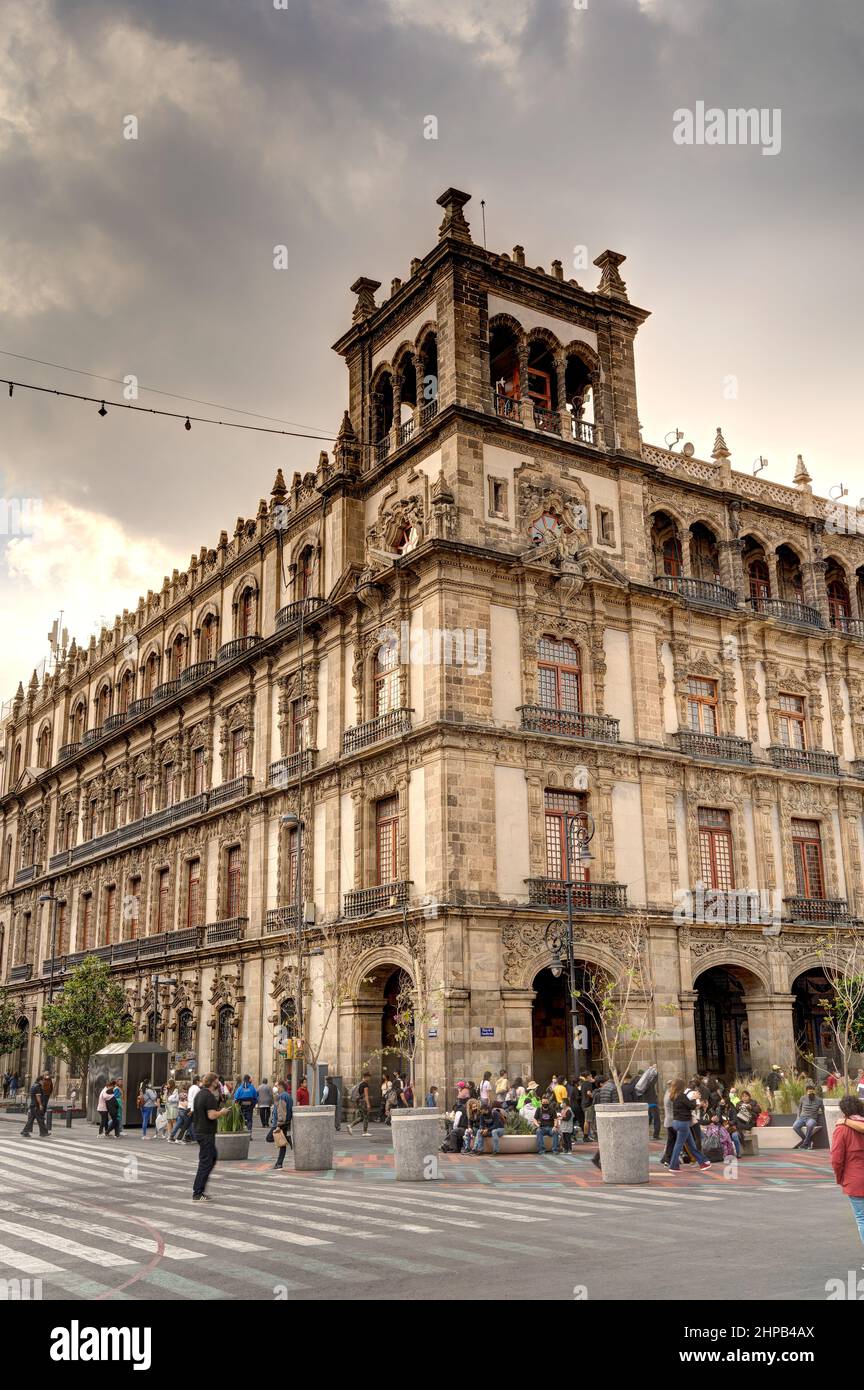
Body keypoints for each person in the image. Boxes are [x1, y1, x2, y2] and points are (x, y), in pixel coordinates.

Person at [830, 1095, 864, 1245]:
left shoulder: (842, 1129)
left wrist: (840, 1178)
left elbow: (837, 1159)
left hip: (855, 1180)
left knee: (862, 1218)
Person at [191, 1074, 229, 1202]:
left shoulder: (199, 1095)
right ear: (213, 1082)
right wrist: (222, 1112)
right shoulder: (209, 1096)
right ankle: (198, 1192)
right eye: (217, 1080)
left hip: (200, 1131)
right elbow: (211, 1115)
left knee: (211, 1158)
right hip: (206, 1133)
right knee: (206, 1162)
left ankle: (199, 1189)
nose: (218, 1082)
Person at [667, 1078, 712, 1173]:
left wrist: (696, 1101)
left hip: (678, 1122)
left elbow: (689, 1106)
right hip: (683, 1123)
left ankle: (702, 1162)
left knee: (691, 1145)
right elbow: (692, 1106)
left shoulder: (674, 1096)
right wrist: (695, 1098)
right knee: (678, 1145)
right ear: (681, 1087)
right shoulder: (681, 1096)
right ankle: (673, 1166)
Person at [269, 1081, 294, 1170]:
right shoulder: (287, 1096)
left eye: (276, 1085)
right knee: (282, 1145)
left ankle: (287, 1139)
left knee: (269, 1138)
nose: (275, 1087)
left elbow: (281, 1111)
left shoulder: (282, 1096)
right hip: (285, 1122)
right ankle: (279, 1163)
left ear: (280, 1086)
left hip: (280, 1123)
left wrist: (279, 1124)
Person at [20, 1073, 51, 1138]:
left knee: (31, 1120)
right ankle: (43, 1132)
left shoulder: (34, 1085)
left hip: (33, 1105)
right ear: (40, 1080)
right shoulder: (38, 1086)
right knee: (40, 1119)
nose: (44, 1081)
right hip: (36, 1106)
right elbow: (38, 1096)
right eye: (43, 1080)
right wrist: (40, 1105)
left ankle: (25, 1131)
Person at [636, 1063, 661, 1139]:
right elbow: (655, 1078)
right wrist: (654, 1070)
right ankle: (656, 1135)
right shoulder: (649, 1083)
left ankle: (643, 1133)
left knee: (649, 1119)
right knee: (656, 1119)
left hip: (646, 1103)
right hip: (652, 1103)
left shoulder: (641, 1084)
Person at [347, 1072, 373, 1136]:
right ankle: (365, 1132)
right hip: (363, 1102)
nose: (369, 1079)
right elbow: (366, 1096)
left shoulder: (360, 1084)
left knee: (362, 1117)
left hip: (359, 1102)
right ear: (366, 1077)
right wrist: (368, 1104)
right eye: (369, 1077)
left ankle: (350, 1125)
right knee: (366, 1116)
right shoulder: (365, 1085)